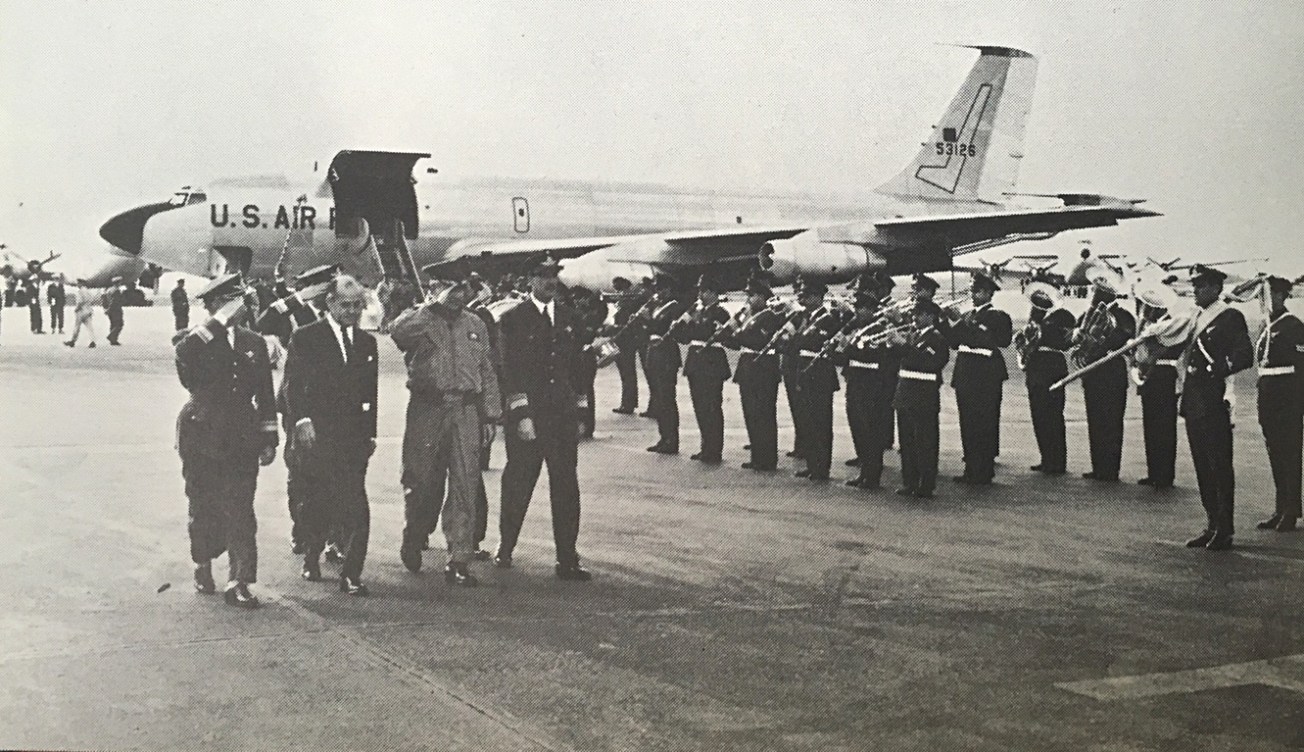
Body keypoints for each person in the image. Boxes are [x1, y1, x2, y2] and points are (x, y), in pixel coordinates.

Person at [391, 263, 501, 585]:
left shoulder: (476, 324)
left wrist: (491, 414)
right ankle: (414, 534)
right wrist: (430, 306)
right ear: (437, 287)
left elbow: (487, 370)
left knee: (466, 483)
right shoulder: (421, 320)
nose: (458, 295)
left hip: (466, 410)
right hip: (428, 408)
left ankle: (459, 558)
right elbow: (397, 332)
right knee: (421, 479)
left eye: (464, 288)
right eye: (451, 288)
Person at [173, 273, 279, 607]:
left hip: (241, 435)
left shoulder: (253, 341)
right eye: (236, 300)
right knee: (203, 504)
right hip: (202, 432)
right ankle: (202, 563)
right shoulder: (195, 339)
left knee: (241, 507)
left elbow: (265, 392)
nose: (245, 306)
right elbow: (184, 355)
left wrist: (269, 436)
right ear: (217, 304)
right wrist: (218, 321)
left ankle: (239, 580)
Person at [1144, 265, 1253, 550]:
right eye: (1195, 285)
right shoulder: (1194, 317)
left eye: (1201, 285)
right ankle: (1211, 523)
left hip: (1213, 400)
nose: (1195, 290)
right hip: (1193, 401)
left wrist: (1218, 369)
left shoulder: (1229, 317)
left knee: (1219, 466)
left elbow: (1244, 355)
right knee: (1203, 466)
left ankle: (1225, 528)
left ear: (1216, 288)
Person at [496, 257, 592, 580]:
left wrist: (581, 409)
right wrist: (521, 413)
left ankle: (567, 558)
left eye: (554, 275)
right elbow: (509, 370)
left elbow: (579, 366)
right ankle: (505, 546)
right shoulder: (513, 319)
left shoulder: (570, 317)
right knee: (518, 483)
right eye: (543, 276)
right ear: (530, 280)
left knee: (566, 487)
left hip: (561, 417)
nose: (550, 281)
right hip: (530, 416)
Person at [283, 275, 377, 595]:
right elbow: (292, 385)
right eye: (346, 306)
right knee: (317, 502)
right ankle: (312, 554)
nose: (353, 312)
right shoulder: (306, 338)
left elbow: (370, 393)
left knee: (357, 506)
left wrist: (370, 434)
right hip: (318, 436)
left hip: (353, 439)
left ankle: (352, 573)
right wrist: (302, 420)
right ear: (330, 304)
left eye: (358, 306)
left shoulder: (367, 343)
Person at [256, 264, 338, 555]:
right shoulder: (290, 313)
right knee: (302, 473)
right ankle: (302, 531)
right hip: (298, 400)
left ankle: (332, 537)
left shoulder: (335, 310)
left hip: (333, 403)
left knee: (334, 473)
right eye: (323, 286)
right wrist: (297, 299)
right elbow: (261, 323)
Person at [837, 272, 901, 489]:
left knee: (870, 430)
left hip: (871, 385)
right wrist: (836, 350)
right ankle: (864, 470)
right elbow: (845, 358)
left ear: (871, 310)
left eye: (862, 308)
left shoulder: (878, 330)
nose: (858, 312)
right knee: (858, 428)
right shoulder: (857, 330)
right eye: (856, 308)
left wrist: (849, 348)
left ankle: (872, 474)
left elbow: (873, 356)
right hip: (855, 382)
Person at [948, 272, 1013, 485]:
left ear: (988, 293)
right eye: (971, 290)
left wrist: (961, 322)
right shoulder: (967, 316)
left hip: (985, 374)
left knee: (984, 422)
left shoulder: (997, 316)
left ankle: (983, 470)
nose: (972, 295)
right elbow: (954, 342)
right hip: (966, 373)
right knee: (967, 422)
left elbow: (990, 340)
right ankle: (971, 467)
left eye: (977, 291)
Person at [1073, 273, 1137, 482]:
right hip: (1092, 374)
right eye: (1095, 290)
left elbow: (1122, 337)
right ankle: (1098, 466)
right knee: (1095, 421)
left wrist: (1099, 340)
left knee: (1111, 422)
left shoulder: (1123, 315)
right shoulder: (1086, 316)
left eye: (1100, 291)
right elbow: (1078, 339)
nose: (1095, 294)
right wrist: (1079, 337)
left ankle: (1110, 469)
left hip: (1111, 373)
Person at [1254, 276, 1304, 533]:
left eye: (1269, 295)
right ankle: (1280, 507)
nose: (1264, 301)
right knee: (1275, 453)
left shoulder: (1293, 326)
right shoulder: (1267, 324)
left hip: (1287, 397)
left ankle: (1291, 511)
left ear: (1283, 296)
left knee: (1290, 454)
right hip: (1269, 396)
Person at [723, 276, 784, 472]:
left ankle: (767, 458)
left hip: (763, 367)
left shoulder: (771, 316)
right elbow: (734, 341)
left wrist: (738, 334)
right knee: (751, 413)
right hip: (747, 366)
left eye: (752, 295)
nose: (748, 299)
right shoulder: (747, 315)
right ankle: (757, 455)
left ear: (763, 296)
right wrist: (729, 334)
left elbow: (758, 340)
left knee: (763, 413)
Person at [890, 301, 950, 498]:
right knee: (907, 443)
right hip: (905, 394)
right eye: (914, 313)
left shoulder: (937, 338)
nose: (915, 318)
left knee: (924, 442)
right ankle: (910, 481)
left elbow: (929, 362)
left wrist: (904, 346)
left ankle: (926, 484)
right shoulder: (915, 335)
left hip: (923, 396)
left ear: (931, 316)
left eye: (920, 314)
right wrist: (894, 345)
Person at [670, 275, 732, 463]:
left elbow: (711, 333)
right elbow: (684, 336)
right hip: (696, 362)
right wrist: (678, 327)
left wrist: (692, 326)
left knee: (711, 406)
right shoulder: (695, 311)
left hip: (711, 362)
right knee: (700, 407)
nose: (700, 294)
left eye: (703, 291)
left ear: (713, 293)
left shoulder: (720, 313)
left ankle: (714, 449)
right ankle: (706, 446)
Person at [792, 280, 848, 482]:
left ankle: (822, 467)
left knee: (821, 423)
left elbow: (811, 342)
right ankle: (811, 463)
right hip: (806, 371)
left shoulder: (828, 319)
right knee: (807, 421)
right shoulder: (805, 317)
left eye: (807, 296)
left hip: (820, 374)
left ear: (817, 297)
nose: (803, 299)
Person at [1020, 283, 1075, 475]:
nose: (1037, 307)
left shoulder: (1062, 317)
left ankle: (1057, 461)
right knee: (1039, 416)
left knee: (1053, 416)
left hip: (1052, 367)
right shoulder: (1033, 321)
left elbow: (1066, 343)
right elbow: (1024, 344)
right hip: (1035, 369)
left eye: (1042, 303)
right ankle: (1046, 458)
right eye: (1036, 304)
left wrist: (1042, 333)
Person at [1131, 288, 1183, 490]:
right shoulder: (1149, 325)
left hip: (1164, 376)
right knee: (1151, 427)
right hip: (1150, 377)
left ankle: (1164, 475)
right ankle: (1154, 472)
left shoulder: (1171, 325)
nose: (1146, 310)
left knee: (1164, 428)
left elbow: (1171, 349)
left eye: (1149, 306)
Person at [643, 277, 691, 454]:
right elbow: (651, 330)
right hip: (655, 353)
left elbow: (669, 330)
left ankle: (672, 440)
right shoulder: (656, 306)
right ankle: (664, 437)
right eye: (657, 289)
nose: (659, 293)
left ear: (669, 289)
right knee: (659, 399)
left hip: (666, 355)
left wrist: (648, 320)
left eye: (662, 289)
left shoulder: (674, 307)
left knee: (667, 398)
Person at [608, 276, 647, 414]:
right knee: (627, 374)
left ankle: (628, 404)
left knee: (627, 373)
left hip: (626, 341)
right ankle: (628, 403)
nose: (619, 293)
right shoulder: (626, 301)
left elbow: (625, 322)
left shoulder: (628, 302)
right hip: (625, 340)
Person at [64, 283, 98, 348]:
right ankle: (92, 341)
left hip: (81, 311)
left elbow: (80, 302)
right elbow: (92, 300)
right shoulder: (88, 291)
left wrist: (77, 309)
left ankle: (73, 341)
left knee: (77, 327)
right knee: (90, 327)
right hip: (88, 310)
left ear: (81, 284)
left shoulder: (80, 291)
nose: (77, 285)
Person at [104, 278, 125, 345]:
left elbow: (105, 300)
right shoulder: (116, 291)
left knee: (113, 324)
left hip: (110, 310)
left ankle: (113, 341)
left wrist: (106, 309)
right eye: (119, 282)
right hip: (116, 310)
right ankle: (111, 336)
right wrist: (110, 308)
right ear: (117, 283)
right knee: (120, 324)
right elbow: (114, 301)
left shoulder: (109, 290)